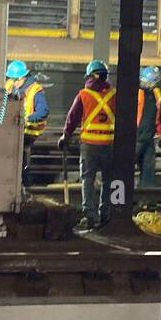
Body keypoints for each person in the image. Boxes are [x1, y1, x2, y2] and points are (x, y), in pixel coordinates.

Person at [58, 59, 116, 229]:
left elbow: (72, 118)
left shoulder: (84, 94)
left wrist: (65, 136)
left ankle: (90, 215)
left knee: (88, 179)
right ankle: (106, 213)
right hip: (109, 145)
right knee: (108, 180)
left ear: (92, 76)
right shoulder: (114, 95)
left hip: (90, 145)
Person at [4, 60, 48, 188]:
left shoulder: (35, 90)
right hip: (12, 130)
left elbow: (43, 111)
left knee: (21, 159)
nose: (14, 82)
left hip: (28, 132)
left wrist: (27, 119)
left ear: (23, 77)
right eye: (11, 78)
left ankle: (25, 185)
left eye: (16, 79)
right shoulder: (9, 85)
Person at [135, 65, 161, 187]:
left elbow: (158, 116)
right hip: (135, 138)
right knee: (125, 171)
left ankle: (144, 201)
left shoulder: (156, 94)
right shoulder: (136, 93)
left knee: (148, 173)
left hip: (148, 139)